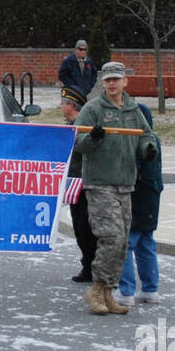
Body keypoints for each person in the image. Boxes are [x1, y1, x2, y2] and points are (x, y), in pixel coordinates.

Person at [72, 61, 159, 315]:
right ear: (103, 82)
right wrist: (94, 138)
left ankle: (109, 292)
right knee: (112, 238)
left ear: (124, 81)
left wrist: (148, 149)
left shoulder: (133, 110)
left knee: (122, 244)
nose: (112, 84)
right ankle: (96, 289)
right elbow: (78, 142)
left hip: (125, 183)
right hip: (100, 183)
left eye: (116, 79)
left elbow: (146, 136)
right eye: (108, 80)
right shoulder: (93, 108)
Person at [114, 100, 163, 306]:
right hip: (152, 195)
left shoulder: (136, 142)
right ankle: (150, 288)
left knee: (127, 242)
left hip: (136, 195)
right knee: (146, 242)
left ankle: (126, 291)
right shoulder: (154, 139)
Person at [60, 87, 97, 283]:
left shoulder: (82, 127)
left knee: (86, 227)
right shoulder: (71, 125)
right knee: (80, 226)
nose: (60, 107)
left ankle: (91, 266)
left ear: (71, 105)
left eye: (63, 103)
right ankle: (88, 264)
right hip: (74, 183)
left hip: (85, 183)